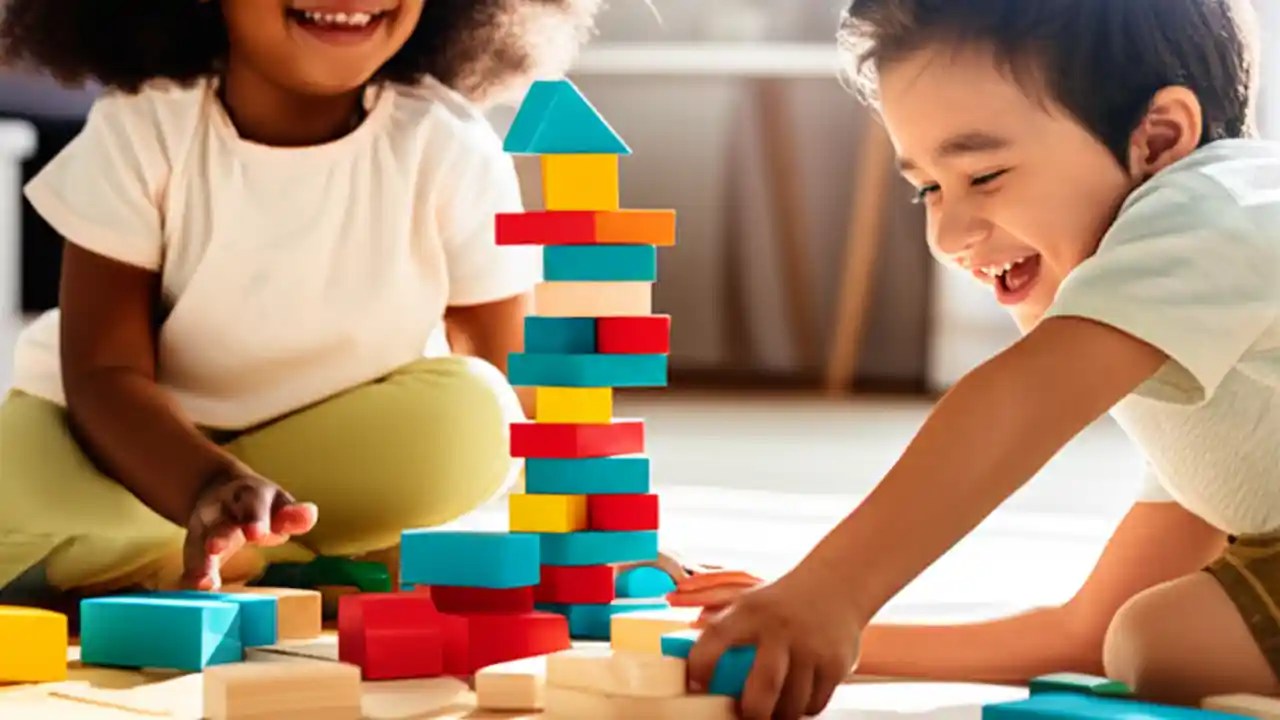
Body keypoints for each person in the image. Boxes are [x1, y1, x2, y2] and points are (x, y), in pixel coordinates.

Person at [680, 1, 1280, 717]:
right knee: (1153, 631)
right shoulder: (1193, 350)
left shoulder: (1216, 205)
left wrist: (834, 587)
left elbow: (1024, 398)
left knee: (1162, 640)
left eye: (985, 175)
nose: (948, 233)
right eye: (929, 189)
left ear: (1157, 139)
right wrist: (815, 623)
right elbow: (1084, 633)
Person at [0, 0, 602, 605]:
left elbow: (522, 381)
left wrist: (592, 535)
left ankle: (193, 555)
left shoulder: (447, 144)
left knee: (481, 420)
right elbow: (104, 373)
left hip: (328, 446)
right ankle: (297, 561)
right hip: (120, 440)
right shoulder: (142, 126)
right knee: (16, 478)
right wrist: (208, 483)